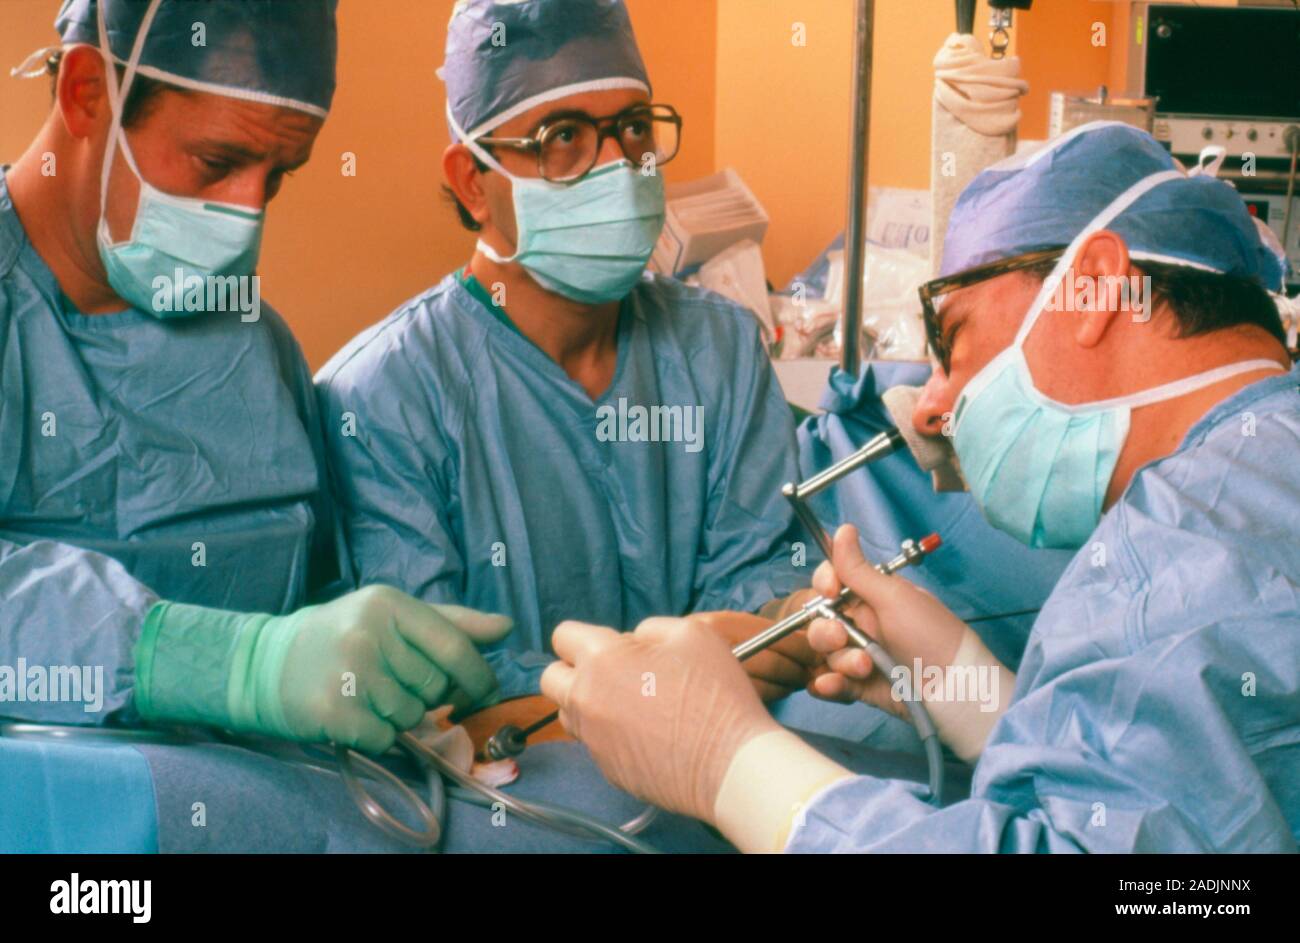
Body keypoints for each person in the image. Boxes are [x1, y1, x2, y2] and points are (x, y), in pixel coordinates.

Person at [541, 122, 1300, 852]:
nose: (930, 406)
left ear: (1095, 288)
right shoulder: (1259, 474)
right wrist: (971, 690)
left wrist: (732, 765)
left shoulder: (1180, 557)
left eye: (951, 338)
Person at [0, 0, 506, 756]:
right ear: (85, 92)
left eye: (276, 178)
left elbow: (317, 588)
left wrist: (377, 682)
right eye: (217, 162)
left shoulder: (254, 344)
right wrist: (238, 665)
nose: (246, 215)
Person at [317, 0, 815, 702]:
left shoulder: (719, 348)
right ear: (472, 181)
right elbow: (431, 688)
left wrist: (786, 620)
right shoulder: (379, 399)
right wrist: (641, 692)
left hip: (726, 757)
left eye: (634, 129)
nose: (619, 165)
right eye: (564, 136)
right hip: (519, 794)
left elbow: (760, 576)